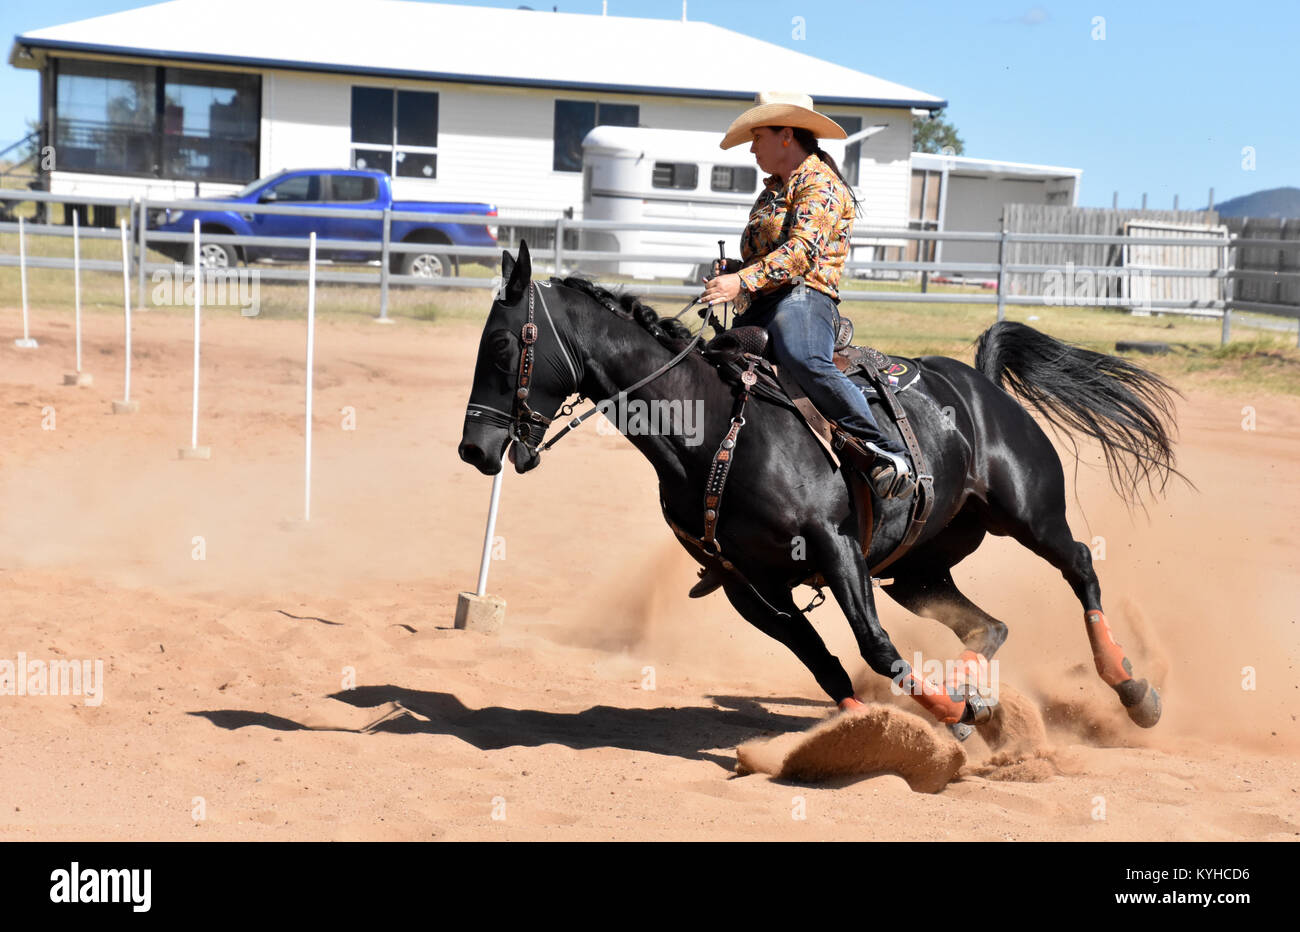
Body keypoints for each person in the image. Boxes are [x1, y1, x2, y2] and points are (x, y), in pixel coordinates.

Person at [701, 91, 914, 501]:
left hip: (806, 297)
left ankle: (888, 452)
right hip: (765, 299)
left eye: (758, 136)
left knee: (804, 357)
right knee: (713, 363)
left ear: (786, 135)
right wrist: (732, 272)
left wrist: (740, 283)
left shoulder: (820, 184)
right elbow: (767, 256)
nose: (751, 146)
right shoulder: (771, 192)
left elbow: (801, 253)